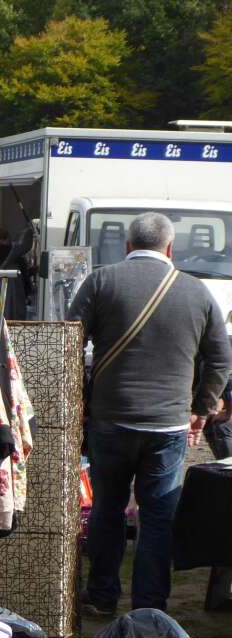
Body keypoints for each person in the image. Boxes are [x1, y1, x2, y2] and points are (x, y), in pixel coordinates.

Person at [67, 212, 232, 615]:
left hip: (110, 418)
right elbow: (221, 359)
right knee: (158, 516)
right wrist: (202, 408)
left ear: (127, 246)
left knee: (107, 507)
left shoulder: (101, 282)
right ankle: (150, 604)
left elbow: (67, 340)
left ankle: (103, 596)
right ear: (170, 248)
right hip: (169, 424)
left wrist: (77, 400)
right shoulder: (196, 292)